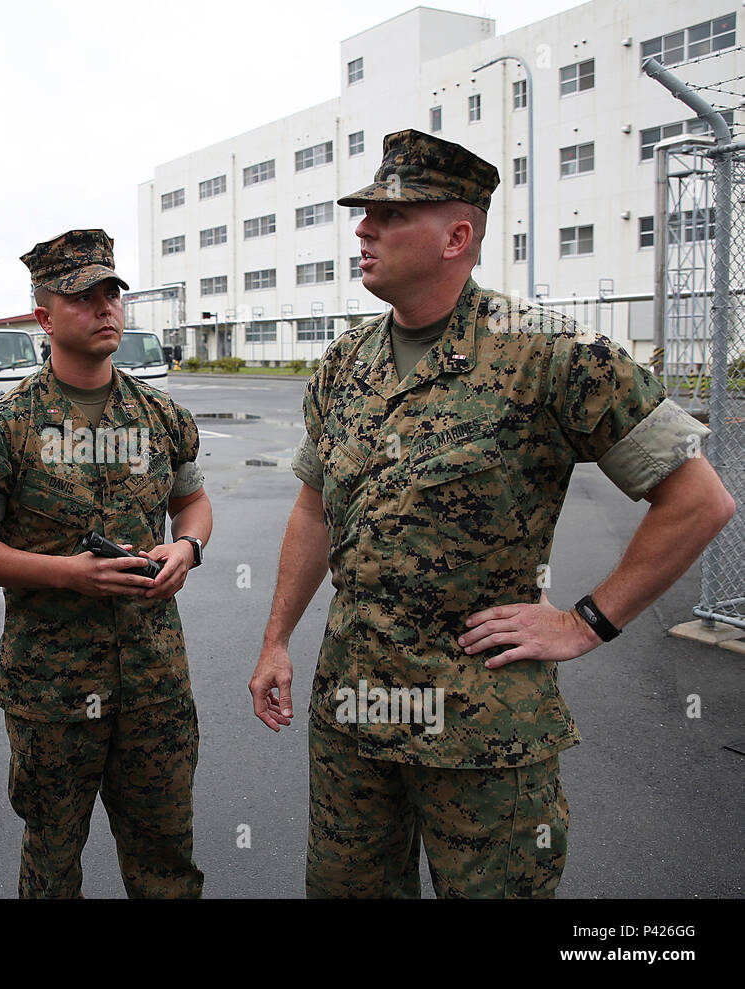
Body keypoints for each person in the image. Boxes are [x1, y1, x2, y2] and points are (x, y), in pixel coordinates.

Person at [248, 129, 735, 899]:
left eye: (388, 215)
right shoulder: (346, 362)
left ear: (457, 235)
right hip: (354, 714)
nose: (363, 229)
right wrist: (276, 638)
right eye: (364, 213)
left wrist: (584, 622)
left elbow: (699, 499)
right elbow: (313, 510)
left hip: (481, 732)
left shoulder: (551, 353)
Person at [0, 230, 213, 898]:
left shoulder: (162, 416)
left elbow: (194, 503)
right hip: (52, 688)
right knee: (52, 859)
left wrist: (189, 546)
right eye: (82, 296)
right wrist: (69, 574)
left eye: (111, 293)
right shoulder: (3, 428)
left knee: (167, 857)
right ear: (43, 316)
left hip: (154, 682)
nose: (105, 308)